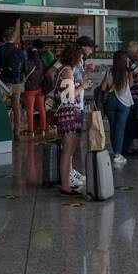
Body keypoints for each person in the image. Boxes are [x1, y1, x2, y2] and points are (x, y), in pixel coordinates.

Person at [54, 45, 85, 195]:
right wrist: (83, 86)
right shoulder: (67, 72)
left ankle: (66, 182)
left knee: (68, 150)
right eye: (80, 57)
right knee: (67, 151)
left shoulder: (64, 70)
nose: (81, 60)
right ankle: (65, 185)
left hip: (68, 113)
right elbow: (68, 97)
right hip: (68, 114)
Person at [99, 51, 134, 167]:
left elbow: (103, 87)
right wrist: (129, 72)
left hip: (111, 101)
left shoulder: (110, 71)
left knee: (113, 128)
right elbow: (130, 85)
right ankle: (117, 155)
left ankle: (115, 152)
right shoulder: (126, 72)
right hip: (123, 103)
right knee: (120, 129)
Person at [0, 27, 27, 135]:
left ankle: (1, 130)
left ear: (4, 38)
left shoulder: (1, 50)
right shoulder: (20, 51)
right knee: (16, 107)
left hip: (4, 83)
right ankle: (17, 131)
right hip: (17, 83)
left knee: (1, 106)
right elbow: (25, 69)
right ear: (14, 38)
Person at [22, 44, 47, 135]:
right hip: (40, 88)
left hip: (30, 89)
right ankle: (43, 130)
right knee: (42, 109)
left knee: (30, 109)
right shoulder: (42, 62)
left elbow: (23, 73)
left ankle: (31, 131)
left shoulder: (27, 62)